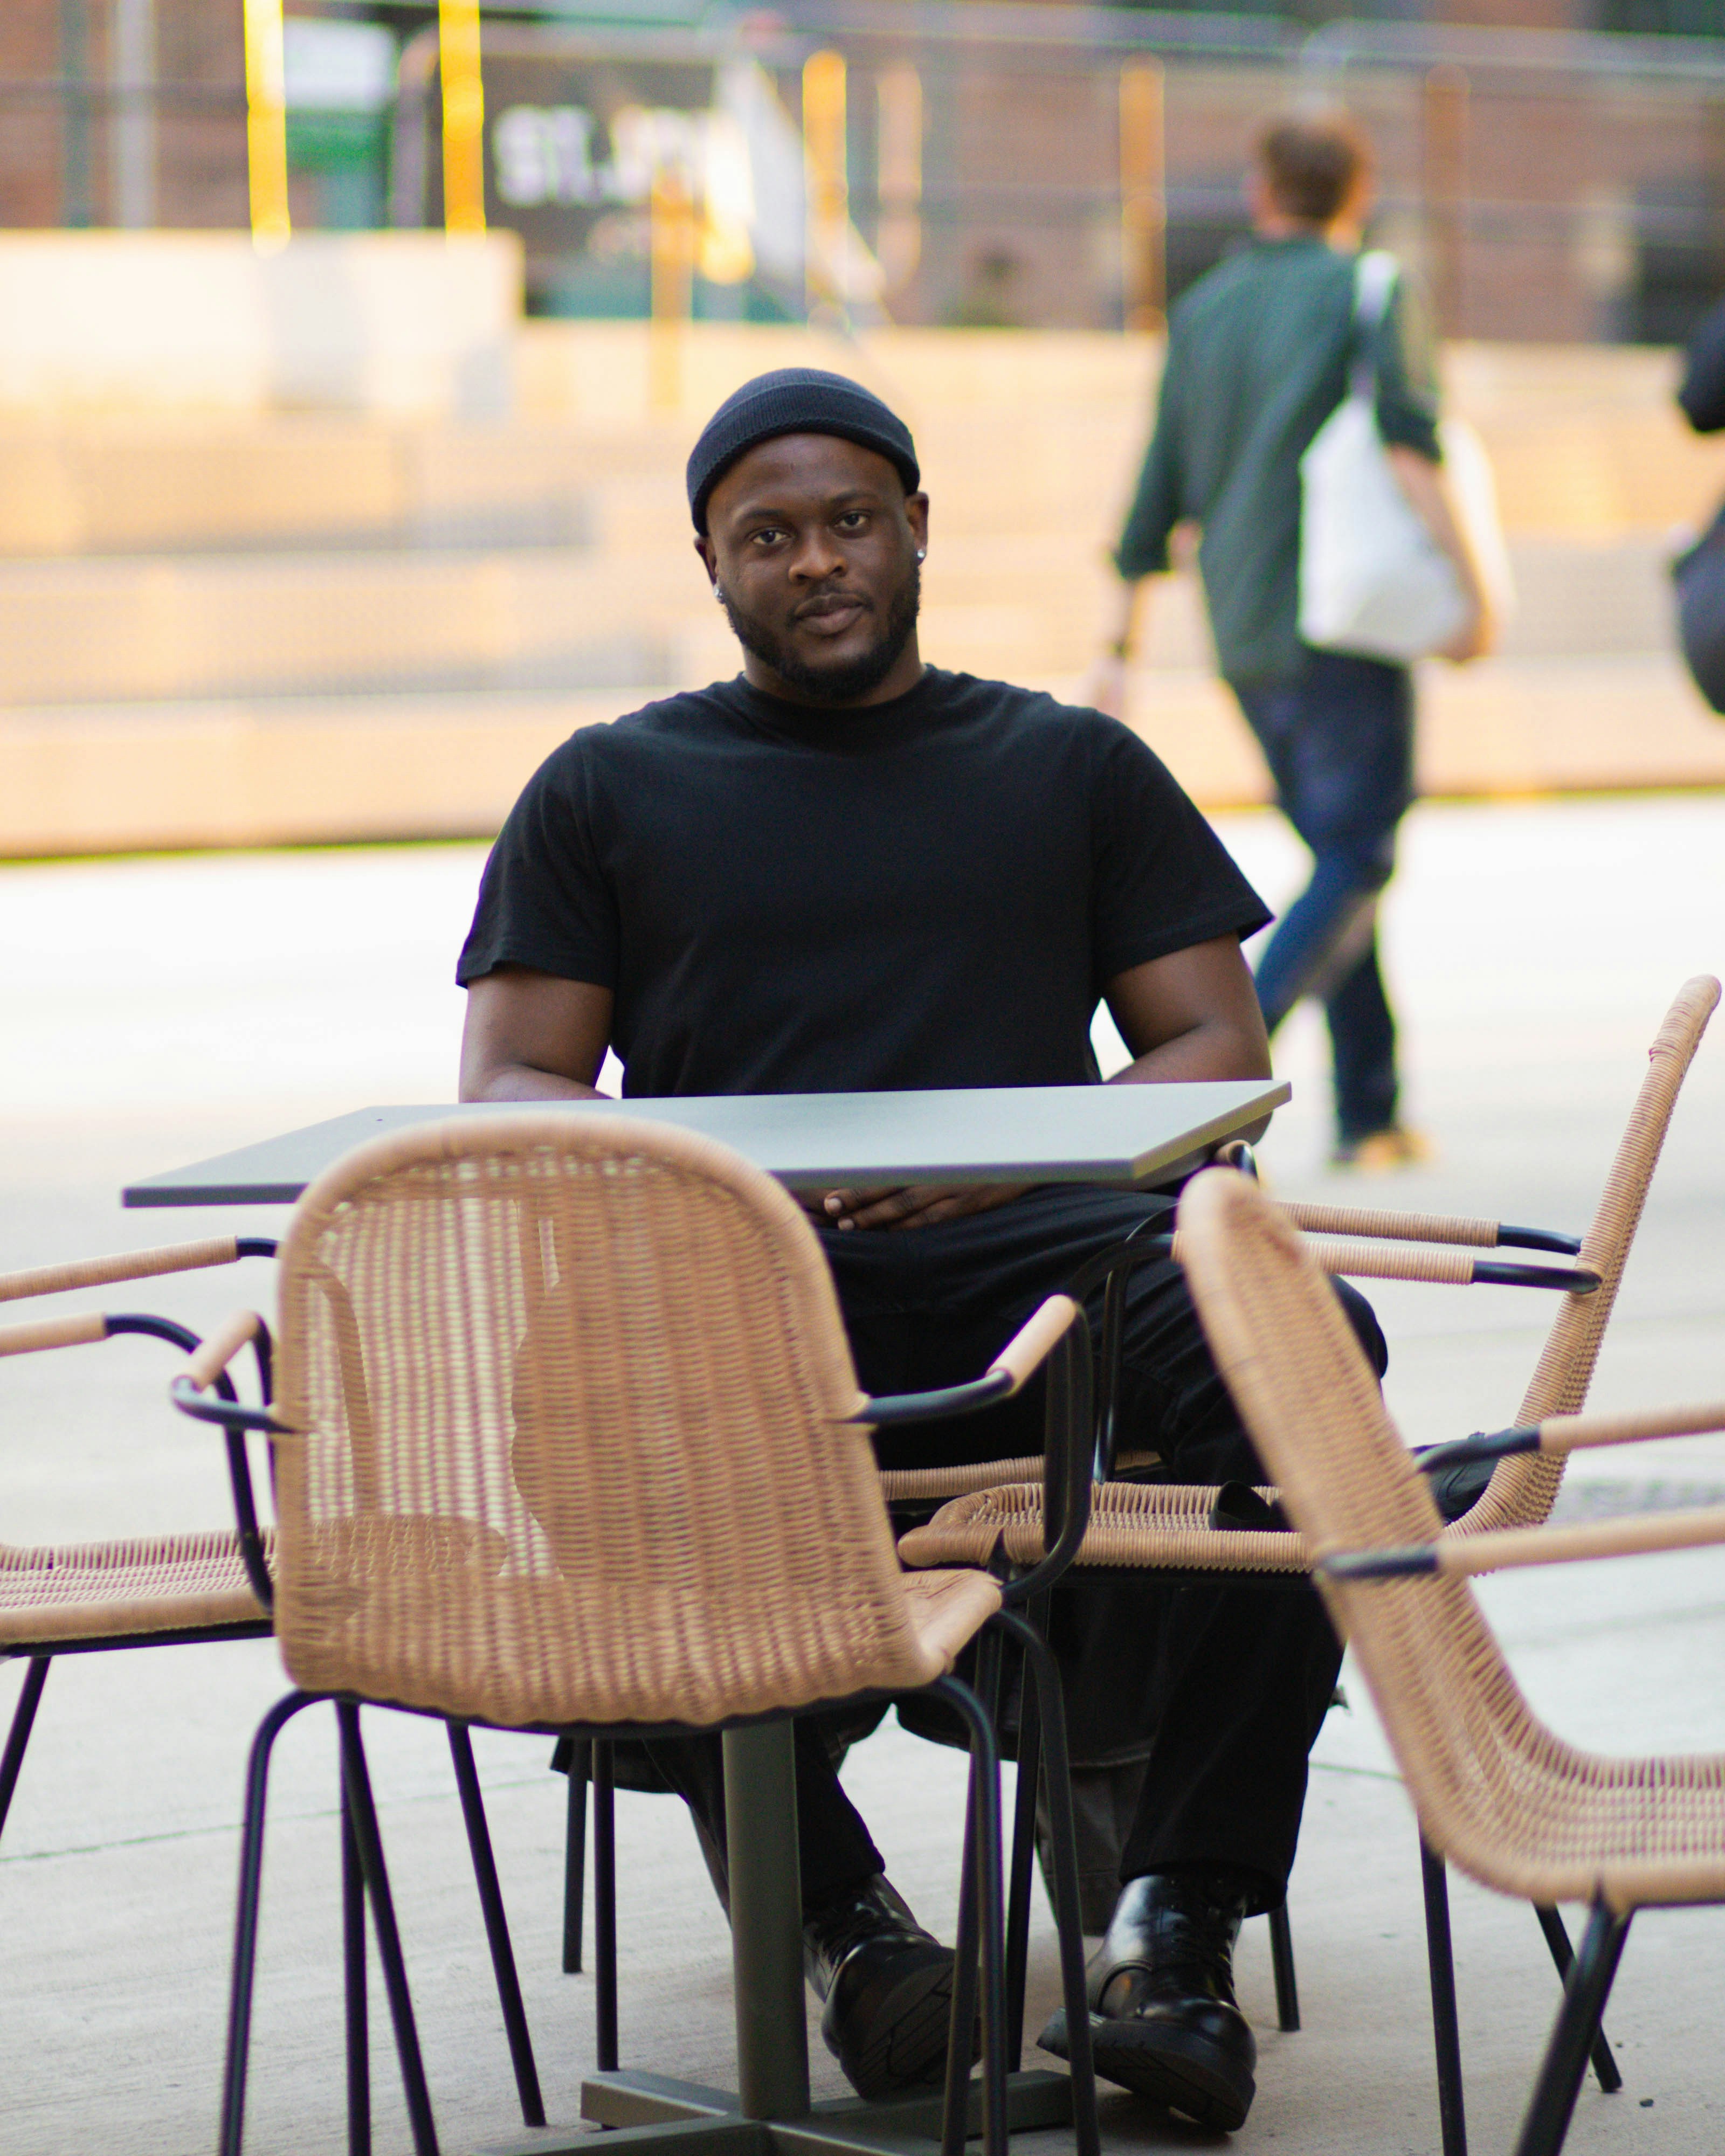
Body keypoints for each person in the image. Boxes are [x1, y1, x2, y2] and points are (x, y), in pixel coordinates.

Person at [456, 367, 1385, 2133]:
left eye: (851, 521)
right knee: (565, 1386)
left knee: (1308, 1353)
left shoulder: (1067, 764)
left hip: (1049, 1278)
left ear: (916, 531)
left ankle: (1174, 1933)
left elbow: (1216, 1048)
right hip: (741, 1295)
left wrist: (999, 1156)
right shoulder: (607, 787)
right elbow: (515, 1081)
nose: (819, 561)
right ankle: (844, 1931)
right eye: (771, 537)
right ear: (714, 566)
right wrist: (734, 1192)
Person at [1089, 112, 1492, 1169]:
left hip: (1245, 630)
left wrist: (1115, 645)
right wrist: (1472, 593)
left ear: (1264, 192)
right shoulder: (1369, 287)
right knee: (1358, 853)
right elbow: (1411, 446)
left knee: (1335, 857)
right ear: (1355, 195)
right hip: (1345, 626)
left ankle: (1371, 1112)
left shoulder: (1204, 308)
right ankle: (1211, 1070)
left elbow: (1155, 487)